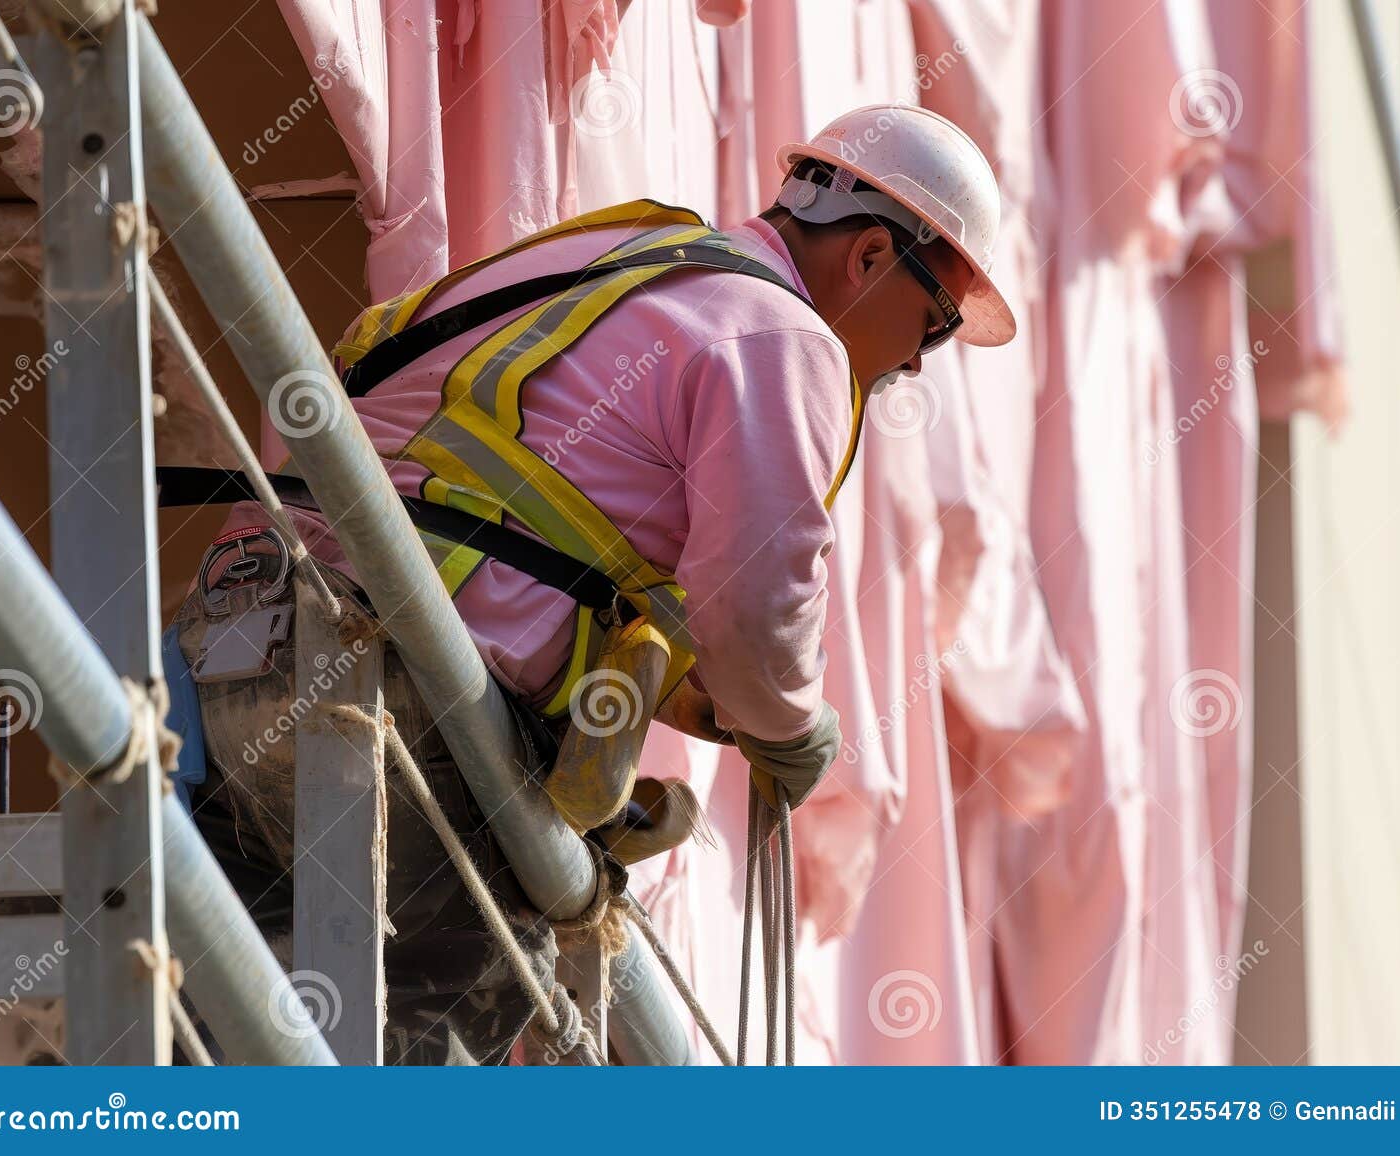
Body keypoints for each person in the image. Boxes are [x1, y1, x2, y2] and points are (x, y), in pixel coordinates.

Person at [170, 103, 1017, 1063]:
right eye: (936, 326)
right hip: (393, 695)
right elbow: (756, 600)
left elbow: (504, 480)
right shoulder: (783, 336)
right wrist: (789, 725)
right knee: (434, 1022)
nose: (912, 363)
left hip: (235, 641)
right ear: (869, 257)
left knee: (212, 1021)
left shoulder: (622, 253)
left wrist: (692, 696)